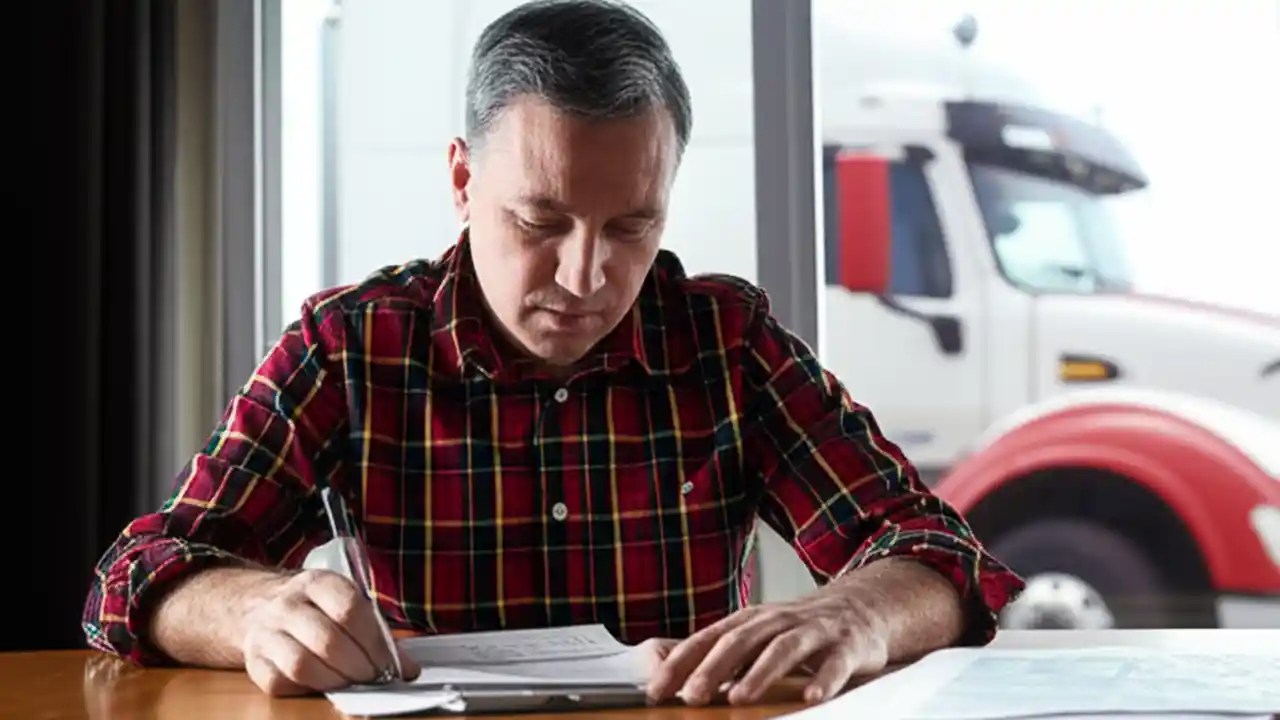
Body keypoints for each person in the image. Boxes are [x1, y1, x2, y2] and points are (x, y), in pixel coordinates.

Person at [83, 0, 1023, 706]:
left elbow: (939, 554)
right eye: (540, 219)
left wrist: (855, 613)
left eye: (632, 225)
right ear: (462, 179)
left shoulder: (727, 344)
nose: (586, 275)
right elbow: (136, 575)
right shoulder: (351, 345)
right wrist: (253, 612)